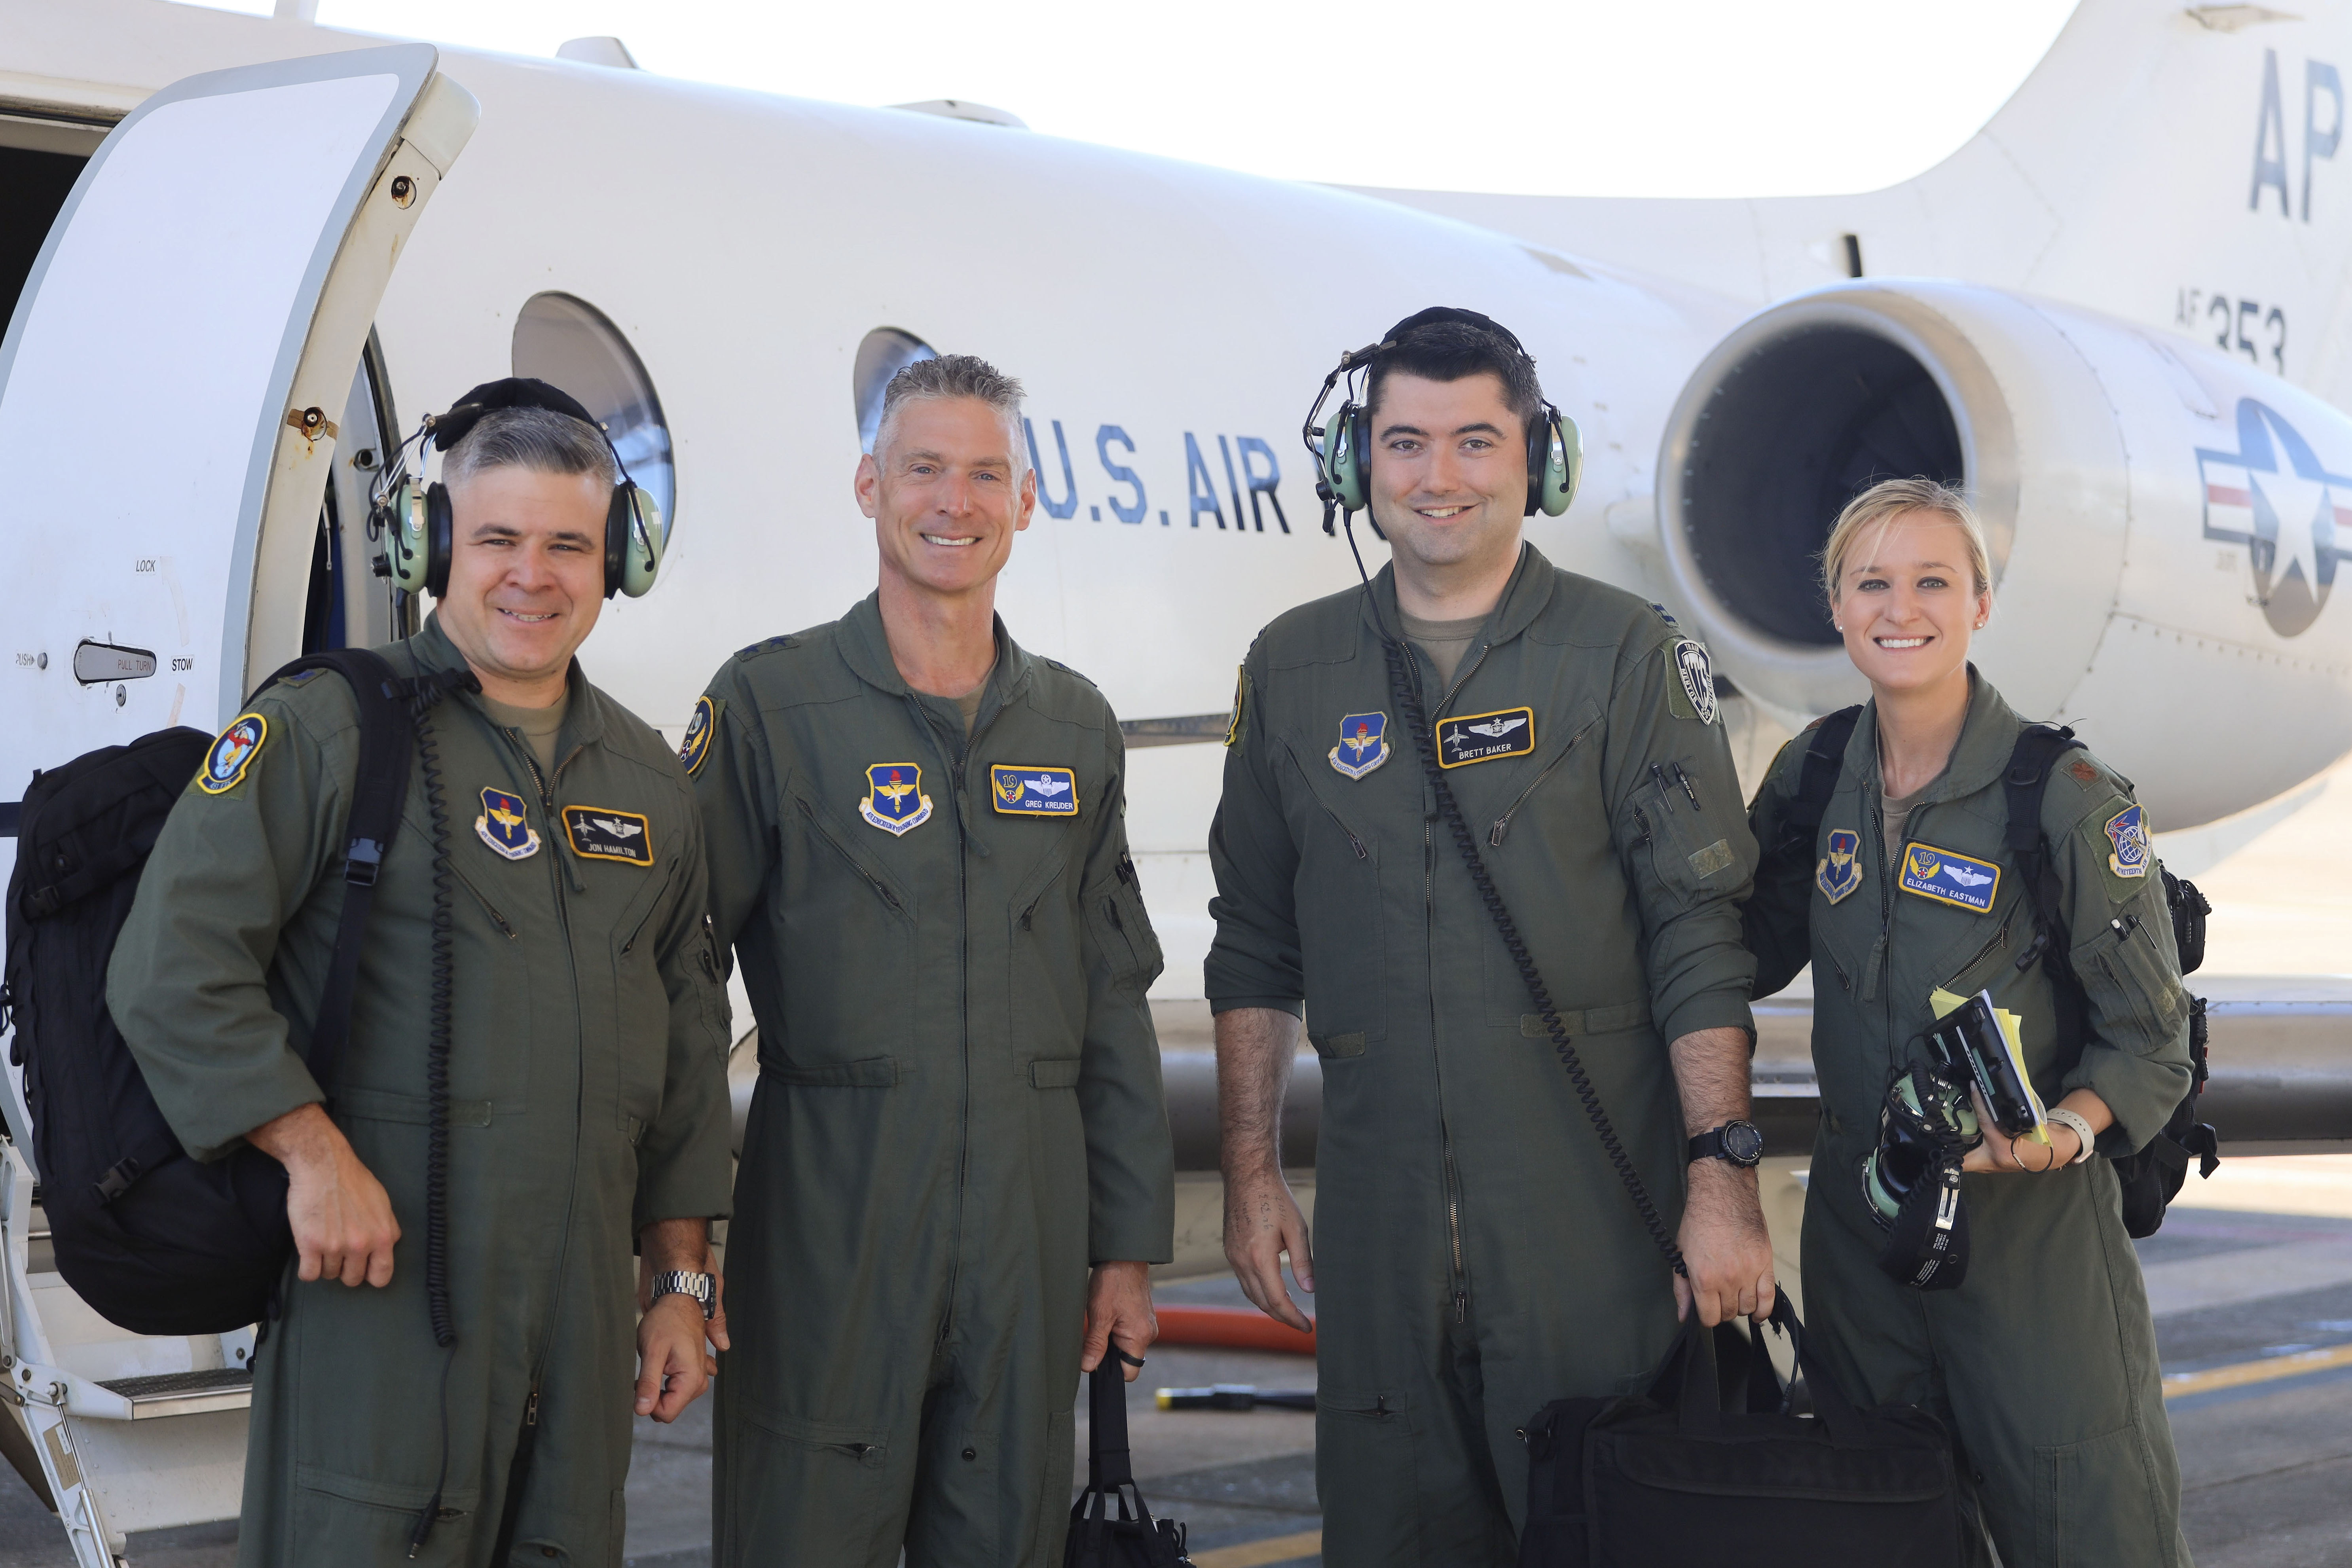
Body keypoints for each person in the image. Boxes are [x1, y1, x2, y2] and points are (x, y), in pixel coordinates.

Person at [108, 383, 736, 1566]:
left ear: (619, 564)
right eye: (496, 538)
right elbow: (172, 964)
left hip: (580, 1332)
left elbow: (690, 1053)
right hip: (383, 1301)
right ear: (432, 544)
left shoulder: (652, 787)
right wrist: (308, 1147)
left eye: (568, 545)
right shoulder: (332, 731)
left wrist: (682, 1283)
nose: (531, 576)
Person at [1206, 307, 1775, 1564]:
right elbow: (1252, 939)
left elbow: (1697, 937)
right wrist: (1252, 1174)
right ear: (1359, 467)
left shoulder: (1625, 657)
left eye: (1476, 441)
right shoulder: (1292, 671)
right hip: (1380, 1254)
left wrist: (1723, 1184)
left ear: (1539, 463)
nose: (1439, 478)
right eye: (1406, 443)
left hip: (1590, 1248)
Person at [689, 353, 1174, 1568]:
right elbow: (674, 973)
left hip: (1029, 1224)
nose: (953, 501)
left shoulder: (1074, 724)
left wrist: (1123, 1245)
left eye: (984, 474)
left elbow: (1115, 997)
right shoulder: (770, 705)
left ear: (1023, 502)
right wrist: (680, 1239)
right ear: (868, 485)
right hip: (828, 1215)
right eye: (923, 468)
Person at [1743, 477, 2193, 1566]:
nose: (1904, 608)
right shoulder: (1813, 778)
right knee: (1883, 1532)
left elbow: (2152, 1041)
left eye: (1934, 580)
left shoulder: (2068, 797)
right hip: (1865, 1245)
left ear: (1981, 604)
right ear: (1838, 607)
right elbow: (1733, 947)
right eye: (1874, 583)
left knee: (2093, 1535)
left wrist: (2063, 1132)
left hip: (2032, 1252)